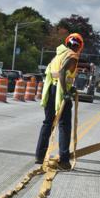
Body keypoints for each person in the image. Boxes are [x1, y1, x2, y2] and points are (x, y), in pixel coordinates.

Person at [35, 33, 84, 169]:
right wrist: (66, 92)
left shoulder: (58, 55)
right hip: (60, 93)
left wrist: (70, 87)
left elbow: (55, 74)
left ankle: (39, 155)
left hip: (51, 90)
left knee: (48, 122)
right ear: (79, 46)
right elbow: (62, 72)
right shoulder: (72, 56)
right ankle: (64, 160)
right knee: (64, 126)